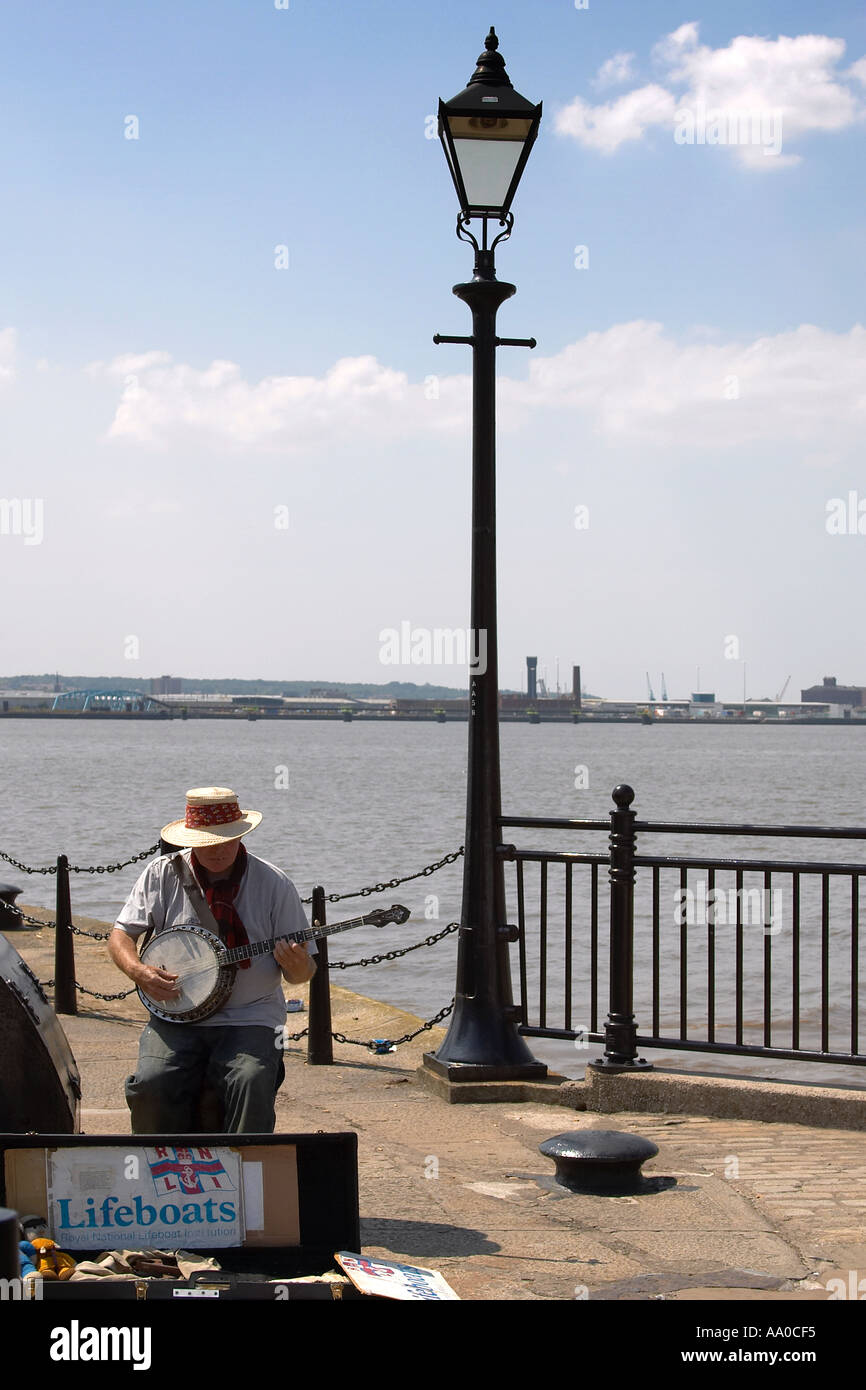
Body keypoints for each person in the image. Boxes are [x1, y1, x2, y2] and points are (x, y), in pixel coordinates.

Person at [109, 786, 316, 1134]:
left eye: (227, 839)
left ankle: (246, 1173)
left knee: (252, 1080)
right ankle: (160, 1171)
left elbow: (304, 972)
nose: (219, 850)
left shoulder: (274, 883)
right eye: (208, 841)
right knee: (151, 1084)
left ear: (241, 835)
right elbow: (120, 936)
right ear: (190, 839)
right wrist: (138, 971)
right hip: (175, 1016)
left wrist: (296, 967)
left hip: (252, 1016)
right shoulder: (162, 874)